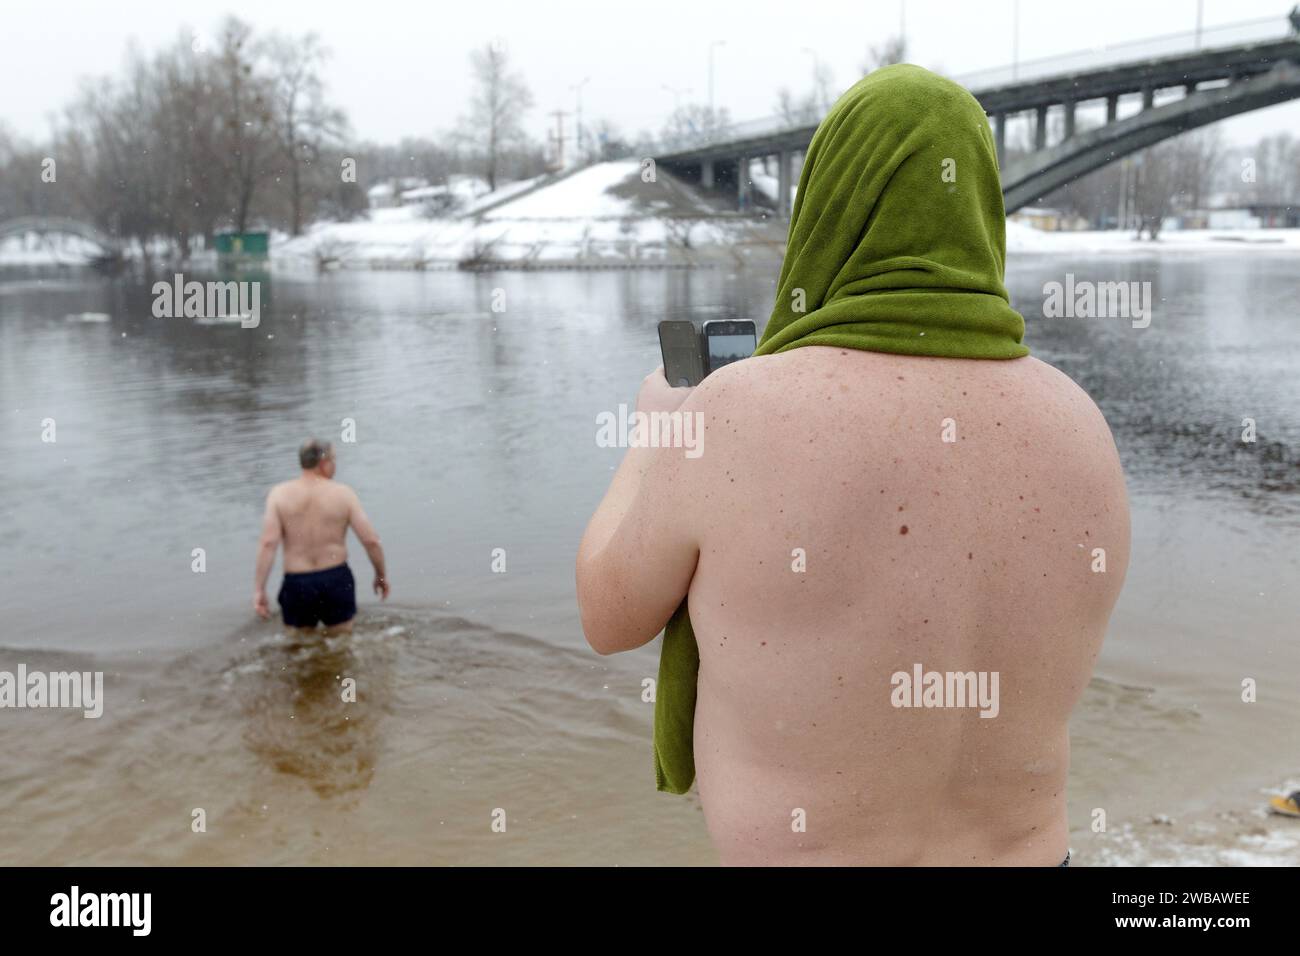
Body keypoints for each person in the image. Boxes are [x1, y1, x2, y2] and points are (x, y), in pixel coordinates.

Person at [575, 65, 1130, 866]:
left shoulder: (733, 414)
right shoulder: (1083, 425)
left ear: (828, 206)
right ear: (981, 209)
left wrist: (660, 432)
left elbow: (608, 616)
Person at [253, 439, 389, 635]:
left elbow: (268, 544)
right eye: (334, 459)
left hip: (297, 582)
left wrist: (259, 589)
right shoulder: (343, 494)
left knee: (299, 645)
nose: (335, 464)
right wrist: (381, 576)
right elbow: (371, 541)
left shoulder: (279, 495)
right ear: (324, 462)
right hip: (336, 578)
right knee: (341, 642)